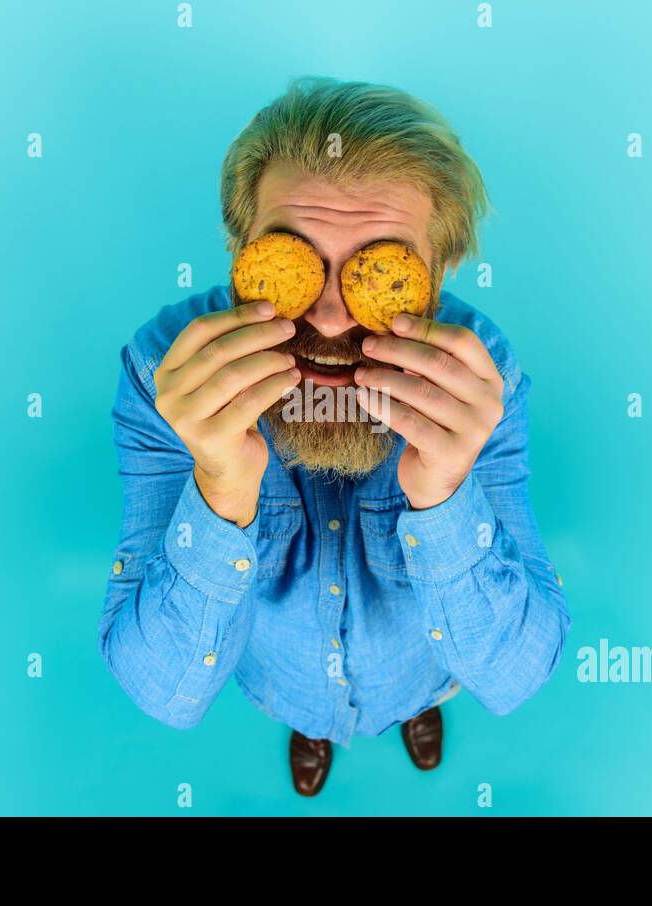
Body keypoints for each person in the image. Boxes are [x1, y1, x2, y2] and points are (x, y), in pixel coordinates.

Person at [99, 77, 571, 796]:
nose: (323, 318)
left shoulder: (480, 376)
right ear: (240, 251)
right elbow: (163, 688)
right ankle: (312, 727)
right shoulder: (164, 371)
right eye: (291, 257)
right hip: (276, 678)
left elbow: (514, 672)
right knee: (306, 705)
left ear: (437, 273)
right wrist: (221, 486)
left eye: (377, 269)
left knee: (426, 689)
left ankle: (416, 712)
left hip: (423, 669)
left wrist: (444, 493)